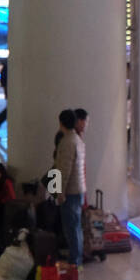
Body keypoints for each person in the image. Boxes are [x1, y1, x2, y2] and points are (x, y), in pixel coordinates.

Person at [53, 108, 86, 266]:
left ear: (61, 122)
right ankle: (76, 259)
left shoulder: (67, 142)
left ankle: (75, 261)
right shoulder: (78, 140)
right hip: (79, 188)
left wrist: (60, 192)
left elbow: (64, 170)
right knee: (76, 226)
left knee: (71, 228)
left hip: (70, 190)